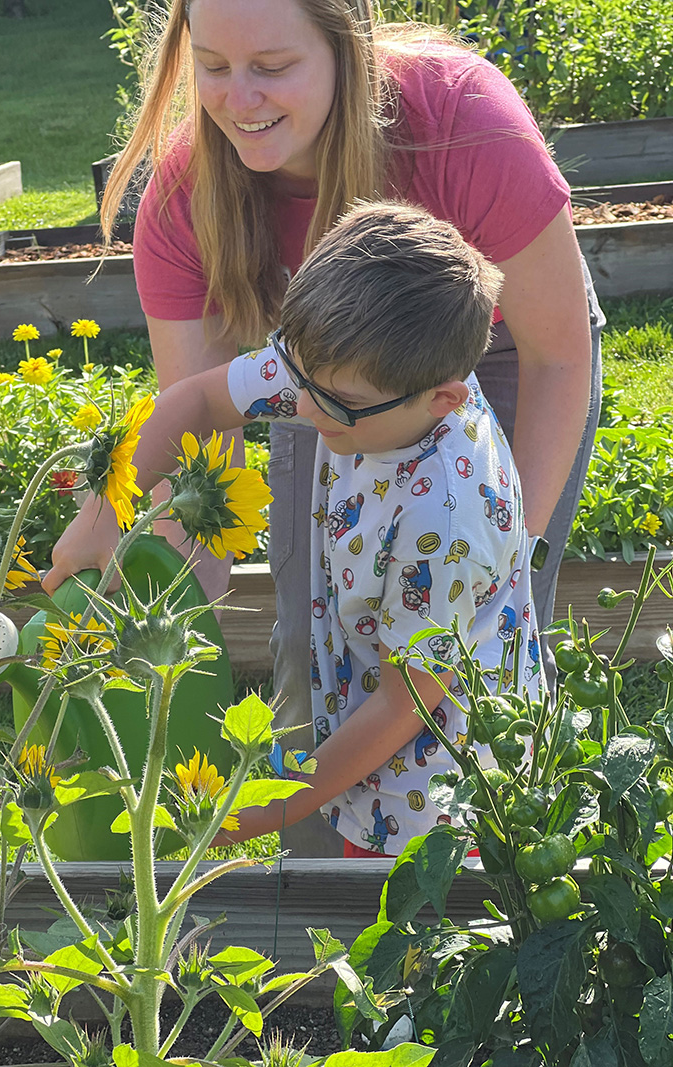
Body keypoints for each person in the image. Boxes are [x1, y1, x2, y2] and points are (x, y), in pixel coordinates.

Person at [45, 0, 603, 857]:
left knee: (456, 670)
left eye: (271, 66)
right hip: (346, 364)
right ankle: (316, 886)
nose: (239, 98)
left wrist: (500, 565)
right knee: (314, 633)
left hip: (491, 361)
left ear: (345, 48)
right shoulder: (309, 370)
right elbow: (199, 416)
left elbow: (557, 356)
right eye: (214, 66)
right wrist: (110, 530)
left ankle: (483, 863)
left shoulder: (462, 124)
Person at [54, 200, 545, 857]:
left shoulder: (448, 517)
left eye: (335, 403)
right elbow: (196, 400)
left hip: (441, 801)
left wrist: (265, 808)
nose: (306, 409)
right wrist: (102, 513)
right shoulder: (346, 372)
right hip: (379, 719)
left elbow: (406, 706)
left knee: (414, 942)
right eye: (299, 377)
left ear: (444, 399)